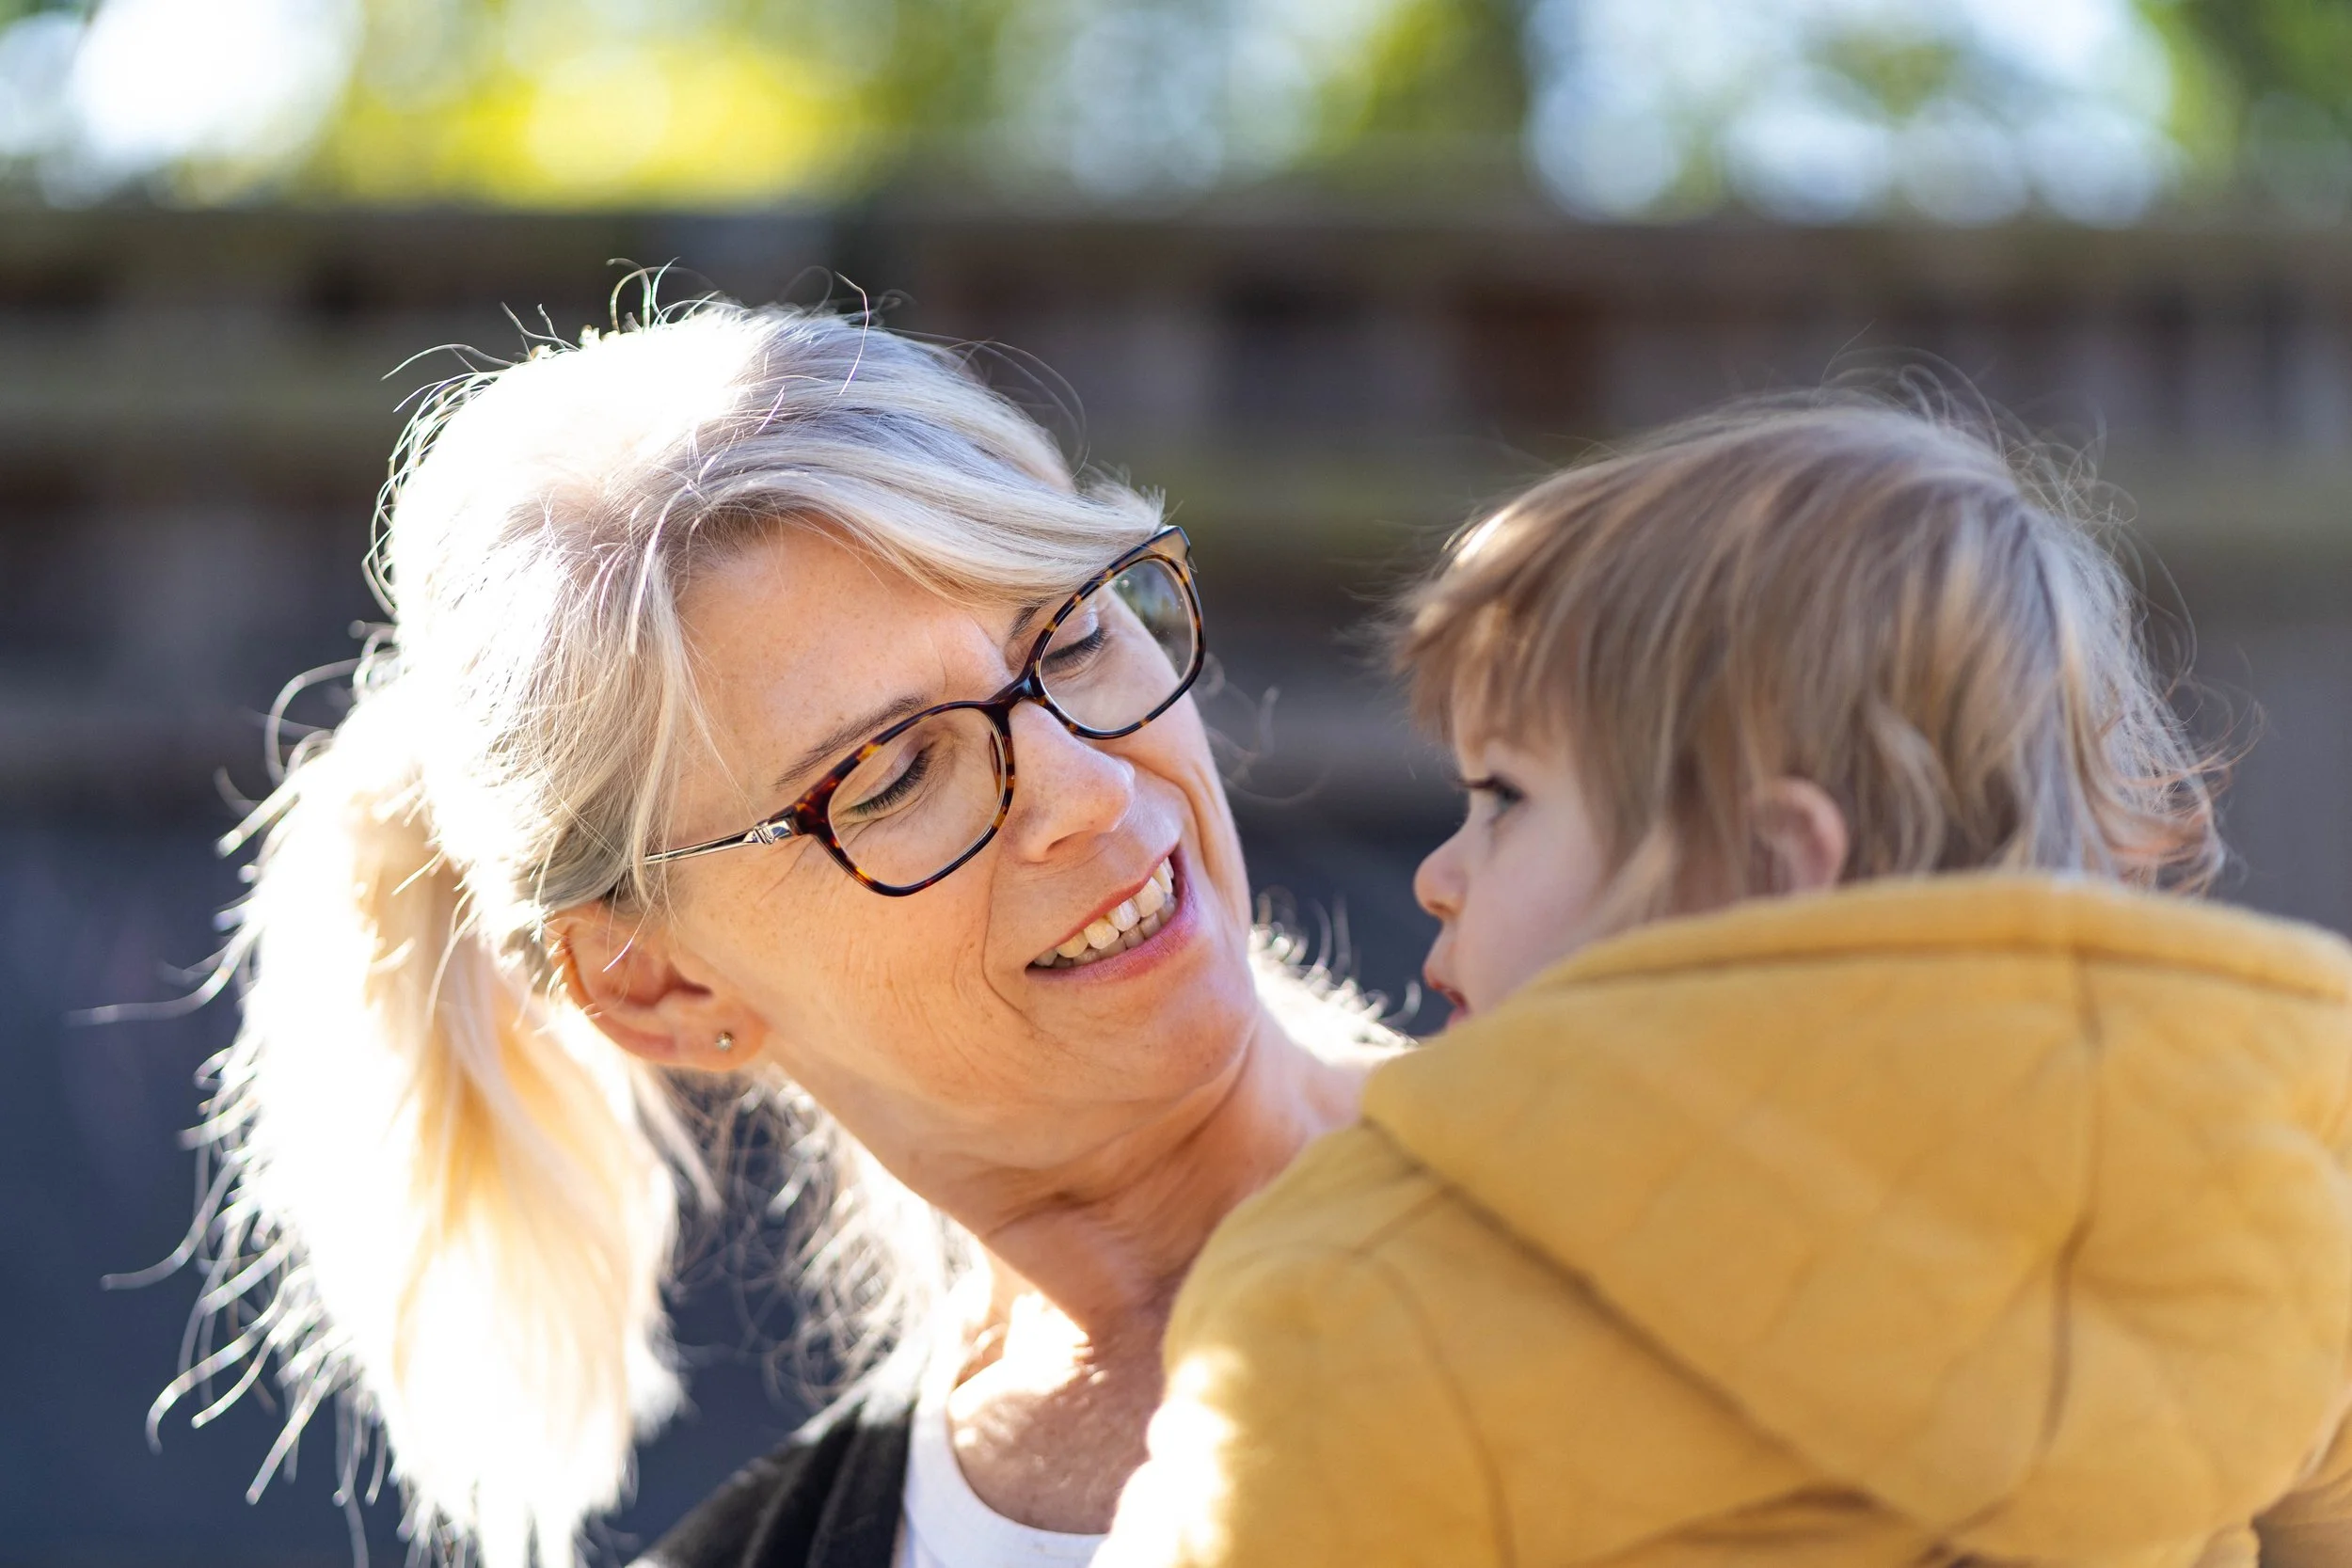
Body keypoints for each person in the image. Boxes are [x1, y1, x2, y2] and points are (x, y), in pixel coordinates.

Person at [161, 299, 1394, 1568]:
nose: (1090, 789)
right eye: (897, 774)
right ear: (656, 982)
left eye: (1072, 630)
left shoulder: (1596, 1186)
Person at [1101, 396, 2352, 1567]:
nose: (1436, 874)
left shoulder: (1362, 1294)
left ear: (1771, 861)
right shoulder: (2253, 1206)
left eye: (1504, 800)